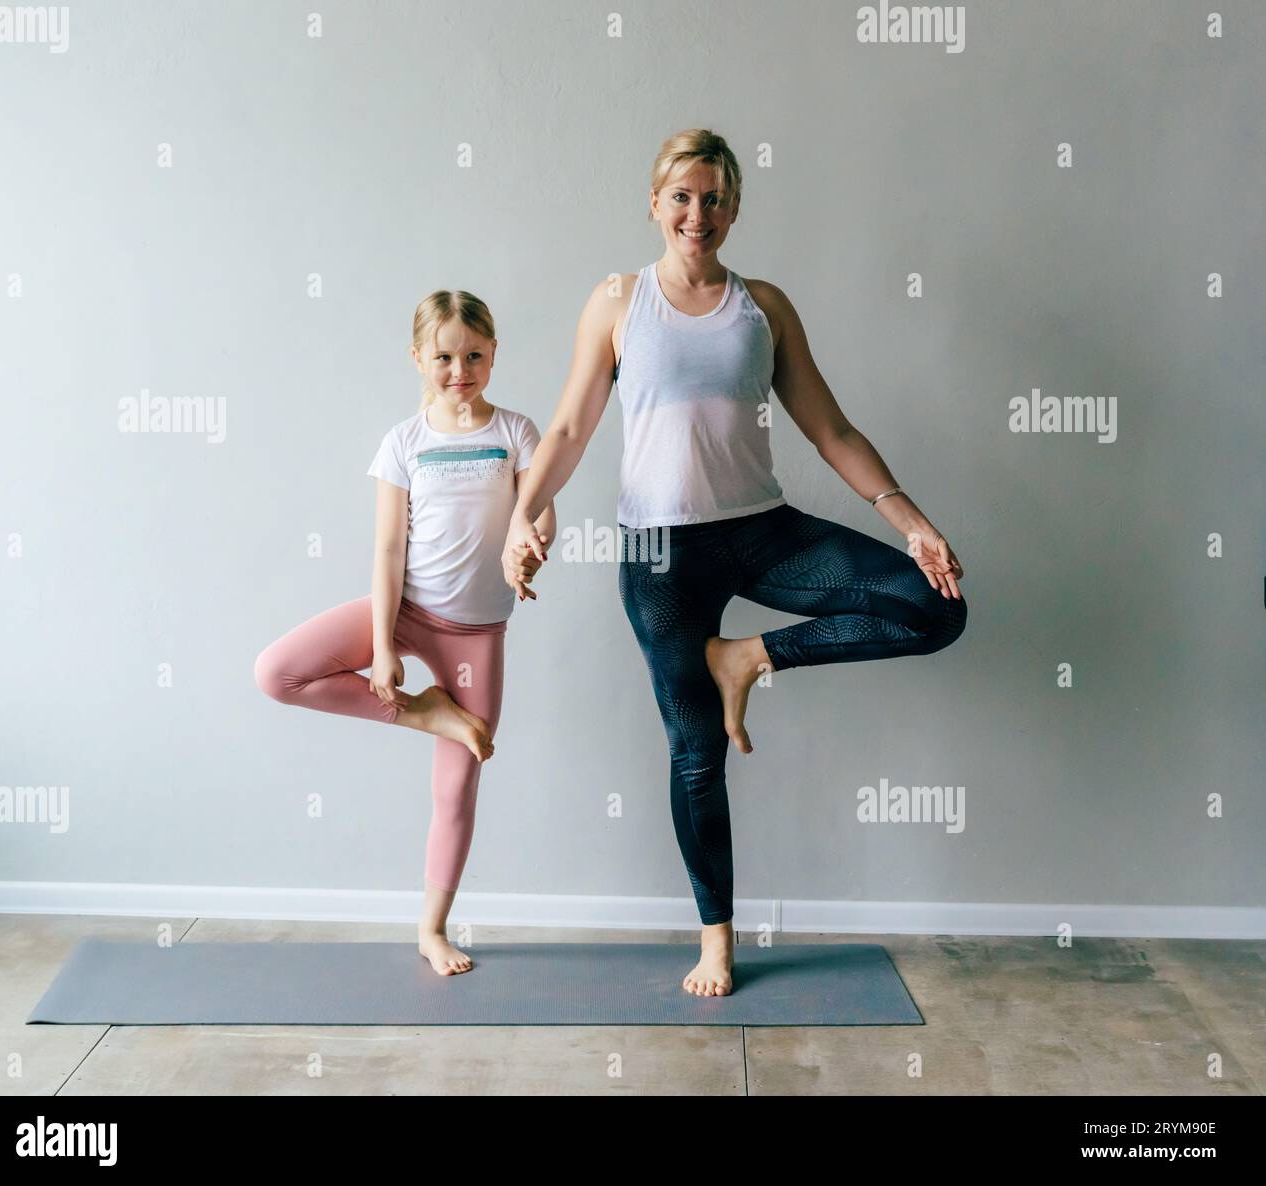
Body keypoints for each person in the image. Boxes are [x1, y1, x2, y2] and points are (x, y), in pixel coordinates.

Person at [499, 129, 968, 997]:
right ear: (653, 203)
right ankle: (716, 939)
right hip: (656, 549)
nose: (697, 213)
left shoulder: (765, 307)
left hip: (758, 530)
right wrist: (521, 517)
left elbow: (830, 430)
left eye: (714, 197)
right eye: (682, 196)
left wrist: (911, 520)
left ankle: (747, 657)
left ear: (735, 207)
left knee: (933, 607)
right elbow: (566, 430)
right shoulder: (616, 302)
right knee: (694, 752)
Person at [255, 289, 554, 976]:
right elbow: (389, 551)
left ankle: (432, 930)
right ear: (418, 358)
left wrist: (528, 541)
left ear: (493, 354)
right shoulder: (404, 443)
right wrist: (386, 646)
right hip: (409, 610)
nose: (459, 370)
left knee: (456, 787)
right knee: (279, 672)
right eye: (444, 357)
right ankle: (425, 714)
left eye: (473, 356)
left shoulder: (515, 432)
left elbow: (538, 514)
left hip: (475, 633)